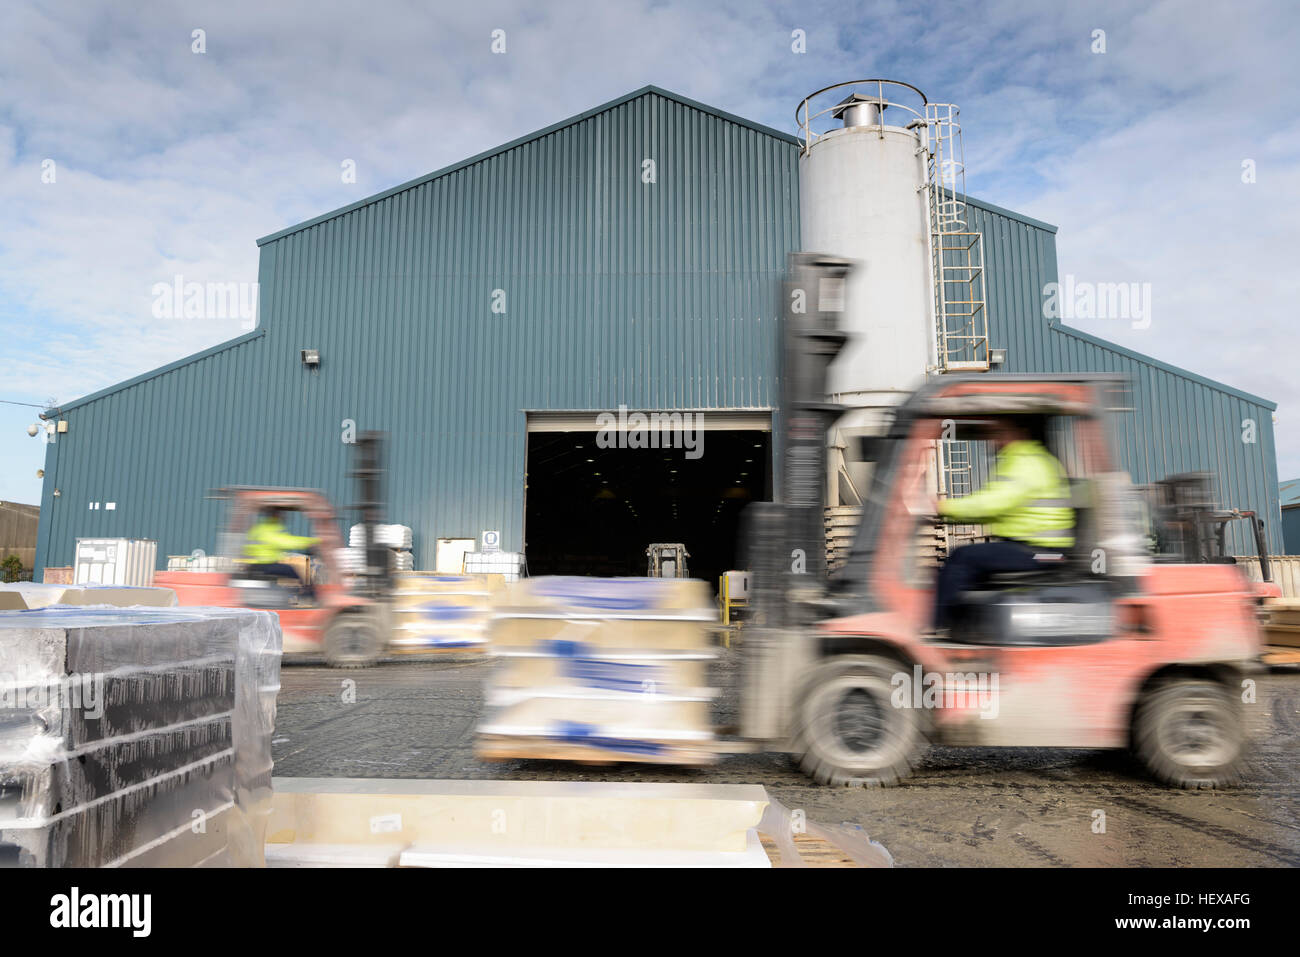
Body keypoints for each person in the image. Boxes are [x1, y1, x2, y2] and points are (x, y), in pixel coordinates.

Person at [932, 419, 1075, 632]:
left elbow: (993, 503)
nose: (993, 439)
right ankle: (972, 626)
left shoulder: (1024, 461)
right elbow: (995, 507)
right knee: (975, 562)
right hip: (1036, 548)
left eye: (999, 431)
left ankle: (941, 629)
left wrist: (941, 507)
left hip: (1042, 552)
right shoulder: (1028, 457)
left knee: (961, 558)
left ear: (1019, 430)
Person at [242, 508, 320, 595]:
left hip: (256, 565)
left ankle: (300, 593)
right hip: (265, 564)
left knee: (289, 569)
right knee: (297, 571)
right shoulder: (270, 529)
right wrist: (312, 542)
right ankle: (309, 595)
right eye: (281, 514)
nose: (284, 516)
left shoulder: (259, 528)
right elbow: (286, 541)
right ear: (275, 515)